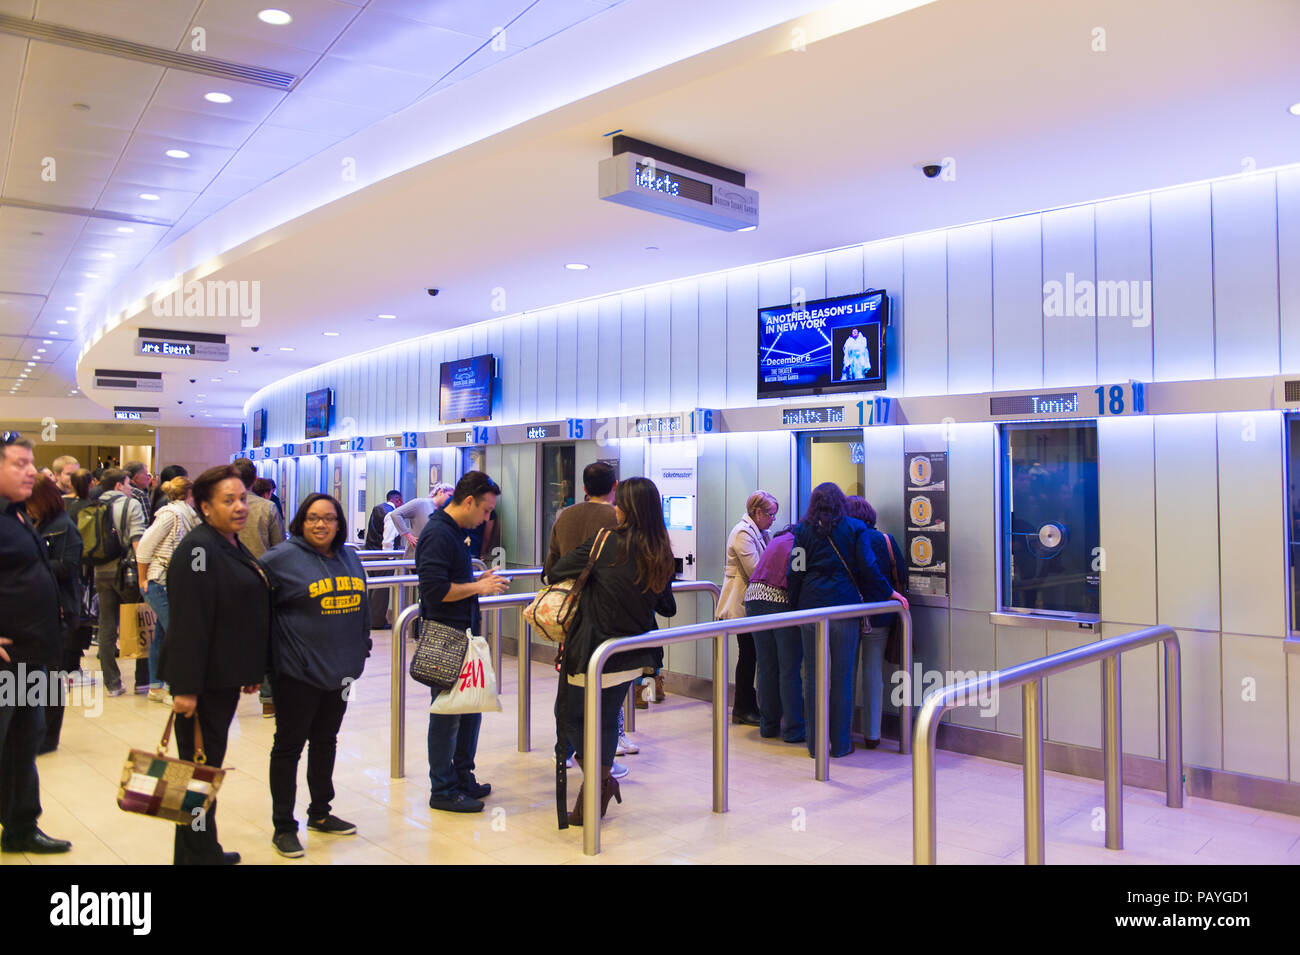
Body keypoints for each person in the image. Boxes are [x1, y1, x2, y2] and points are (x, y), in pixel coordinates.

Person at [548, 477, 677, 826]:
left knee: (570, 715)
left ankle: (599, 784)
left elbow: (556, 571)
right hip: (633, 653)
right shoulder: (661, 547)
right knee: (605, 719)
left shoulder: (606, 541)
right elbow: (667, 606)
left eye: (620, 502)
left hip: (594, 649)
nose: (615, 506)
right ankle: (597, 789)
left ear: (627, 508)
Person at [162, 464, 271, 865]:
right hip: (201, 685)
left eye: (243, 498)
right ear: (205, 507)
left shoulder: (227, 543)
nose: (240, 506)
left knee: (201, 773)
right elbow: (190, 623)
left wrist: (247, 670)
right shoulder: (198, 550)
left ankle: (202, 852)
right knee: (194, 774)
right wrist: (185, 688)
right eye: (229, 500)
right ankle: (195, 856)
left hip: (220, 677)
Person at [261, 494, 371, 858]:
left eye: (328, 518)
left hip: (341, 672)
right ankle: (283, 826)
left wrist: (361, 647)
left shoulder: (349, 556)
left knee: (326, 740)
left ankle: (320, 813)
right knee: (289, 746)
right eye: (312, 518)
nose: (320, 525)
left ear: (339, 523)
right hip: (297, 671)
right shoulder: (279, 560)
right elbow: (252, 609)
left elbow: (362, 605)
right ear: (300, 522)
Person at [787, 482, 907, 758]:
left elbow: (796, 570)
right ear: (841, 502)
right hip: (845, 608)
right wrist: (889, 593)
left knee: (814, 677)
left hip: (811, 608)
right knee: (842, 677)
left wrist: (794, 607)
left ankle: (816, 745)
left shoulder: (803, 530)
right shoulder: (856, 528)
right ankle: (841, 744)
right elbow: (868, 567)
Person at [416, 472, 509, 813]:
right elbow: (435, 591)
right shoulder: (438, 533)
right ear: (468, 501)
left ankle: (462, 777)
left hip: (464, 634)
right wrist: (478, 588)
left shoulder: (454, 532)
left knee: (470, 708)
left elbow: (451, 579)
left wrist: (476, 579)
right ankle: (442, 789)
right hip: (445, 636)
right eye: (485, 511)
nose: (486, 518)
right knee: (447, 714)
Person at [0, 432, 72, 853]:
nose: (32, 471)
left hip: (32, 657)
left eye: (32, 462)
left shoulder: (17, 514)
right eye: (19, 463)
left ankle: (21, 826)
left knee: (25, 741)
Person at [542, 461, 636, 767]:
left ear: (583, 487)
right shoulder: (618, 518)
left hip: (570, 615)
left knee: (570, 684)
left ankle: (565, 750)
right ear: (615, 487)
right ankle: (603, 753)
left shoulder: (564, 516)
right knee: (608, 687)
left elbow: (551, 567)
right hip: (608, 616)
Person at [24, 477, 82, 755]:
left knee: (51, 677)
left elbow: (69, 566)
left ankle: (48, 737)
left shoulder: (64, 527)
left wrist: (31, 562)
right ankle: (36, 732)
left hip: (59, 609)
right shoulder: (35, 524)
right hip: (38, 610)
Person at [844, 496, 907, 748]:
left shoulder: (847, 540)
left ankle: (842, 730)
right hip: (881, 614)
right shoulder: (886, 540)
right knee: (873, 673)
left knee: (845, 672)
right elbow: (900, 574)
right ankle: (872, 734)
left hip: (848, 613)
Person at [717, 491, 778, 726]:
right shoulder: (743, 533)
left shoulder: (762, 533)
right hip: (741, 604)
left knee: (750, 655)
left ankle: (747, 706)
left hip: (753, 603)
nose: (773, 519)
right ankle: (743, 707)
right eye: (771, 514)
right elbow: (756, 570)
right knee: (748, 655)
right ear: (758, 512)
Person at [136, 477, 197, 703]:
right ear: (188, 495)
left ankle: (155, 686)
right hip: (159, 582)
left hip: (168, 583)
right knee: (177, 633)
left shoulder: (185, 516)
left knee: (163, 635)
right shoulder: (172, 515)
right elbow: (144, 546)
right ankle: (173, 686)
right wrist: (142, 578)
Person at [232, 458, 285, 718]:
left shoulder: (221, 507)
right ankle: (268, 699)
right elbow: (279, 548)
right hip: (262, 581)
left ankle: (225, 690)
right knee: (264, 640)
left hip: (228, 580)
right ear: (254, 481)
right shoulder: (267, 508)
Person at [744, 521, 804, 742]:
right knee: (789, 668)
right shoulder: (800, 545)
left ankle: (768, 726)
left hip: (753, 599)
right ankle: (793, 729)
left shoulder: (777, 540)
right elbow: (796, 579)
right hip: (780, 601)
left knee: (767, 667)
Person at [91, 468, 148, 697]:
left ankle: (113, 683)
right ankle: (142, 680)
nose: (129, 488)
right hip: (127, 572)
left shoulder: (92, 505)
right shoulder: (130, 504)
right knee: (139, 621)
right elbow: (137, 539)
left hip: (100, 571)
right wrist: (143, 573)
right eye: (127, 483)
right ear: (118, 486)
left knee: (107, 625)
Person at [364, 489, 402, 629]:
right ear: (397, 500)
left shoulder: (377, 509)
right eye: (401, 501)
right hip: (382, 556)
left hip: (370, 554)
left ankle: (369, 619)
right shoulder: (391, 514)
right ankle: (378, 622)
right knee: (381, 592)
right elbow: (388, 540)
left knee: (374, 590)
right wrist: (390, 559)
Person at [391, 482, 453, 555]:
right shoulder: (420, 503)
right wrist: (407, 535)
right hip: (417, 556)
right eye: (449, 495)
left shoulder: (443, 511)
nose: (451, 499)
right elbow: (395, 514)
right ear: (441, 492)